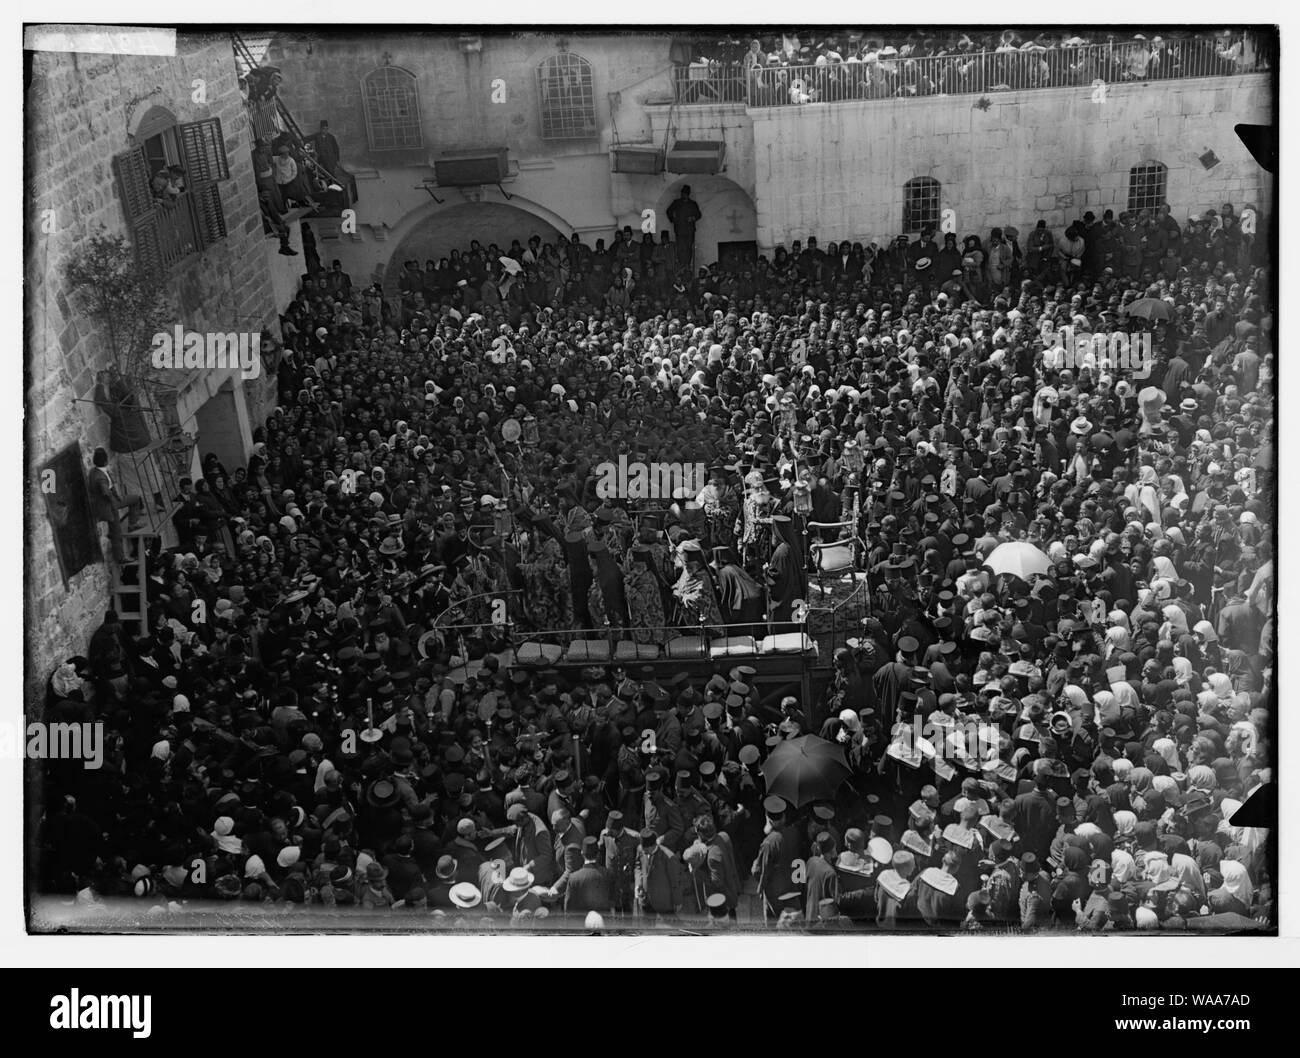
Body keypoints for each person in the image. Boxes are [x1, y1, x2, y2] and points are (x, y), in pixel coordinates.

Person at [86, 447, 144, 563]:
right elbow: (105, 491)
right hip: (109, 506)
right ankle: (120, 557)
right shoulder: (100, 477)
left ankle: (132, 523)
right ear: (105, 461)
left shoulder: (95, 471)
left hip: (111, 502)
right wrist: (115, 498)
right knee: (116, 532)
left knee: (135, 499)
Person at [666, 185, 702, 272]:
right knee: (680, 248)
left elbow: (698, 215)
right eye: (682, 194)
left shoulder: (693, 204)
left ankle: (687, 265)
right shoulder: (676, 203)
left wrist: (692, 218)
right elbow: (668, 211)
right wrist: (673, 218)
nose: (683, 195)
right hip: (679, 230)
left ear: (688, 194)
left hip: (689, 230)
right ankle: (681, 264)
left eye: (685, 194)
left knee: (688, 248)